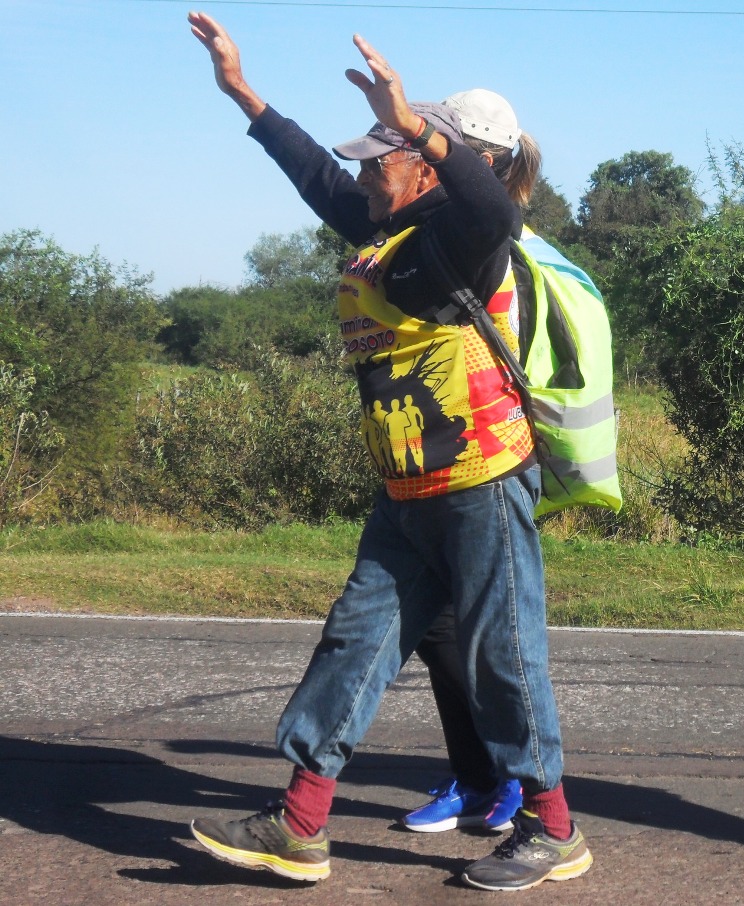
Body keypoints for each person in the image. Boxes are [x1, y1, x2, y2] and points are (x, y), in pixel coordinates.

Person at [185, 12, 591, 892]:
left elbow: (492, 205)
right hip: (407, 493)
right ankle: (299, 825)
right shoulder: (386, 233)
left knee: (502, 657)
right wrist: (243, 93)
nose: (365, 171)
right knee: (354, 644)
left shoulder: (459, 238)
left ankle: (554, 829)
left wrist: (414, 124)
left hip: (482, 484)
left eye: (382, 157)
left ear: (424, 166)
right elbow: (312, 175)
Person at [404, 88, 546, 836]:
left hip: (487, 462)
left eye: (439, 140)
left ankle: (514, 784)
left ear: (479, 159)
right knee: (442, 628)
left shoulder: (485, 230)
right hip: (435, 463)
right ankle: (478, 773)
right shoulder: (440, 223)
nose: (424, 146)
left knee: (492, 636)